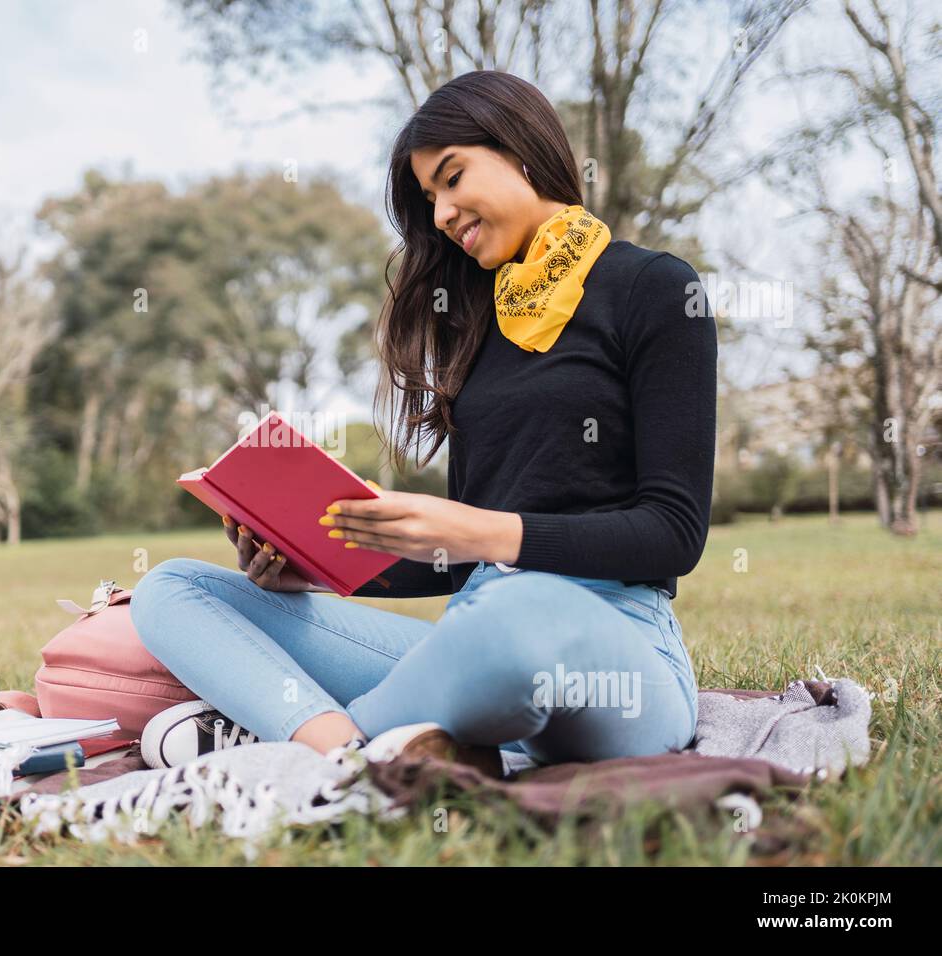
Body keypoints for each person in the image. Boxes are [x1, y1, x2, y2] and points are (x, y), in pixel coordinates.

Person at [130, 70, 716, 775]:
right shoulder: (479, 329)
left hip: (611, 652)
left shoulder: (655, 288)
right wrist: (311, 573)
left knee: (513, 614)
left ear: (522, 150)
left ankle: (295, 754)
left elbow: (673, 534)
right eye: (428, 198)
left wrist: (474, 530)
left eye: (452, 177)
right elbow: (462, 561)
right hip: (474, 636)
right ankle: (343, 752)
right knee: (173, 589)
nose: (439, 214)